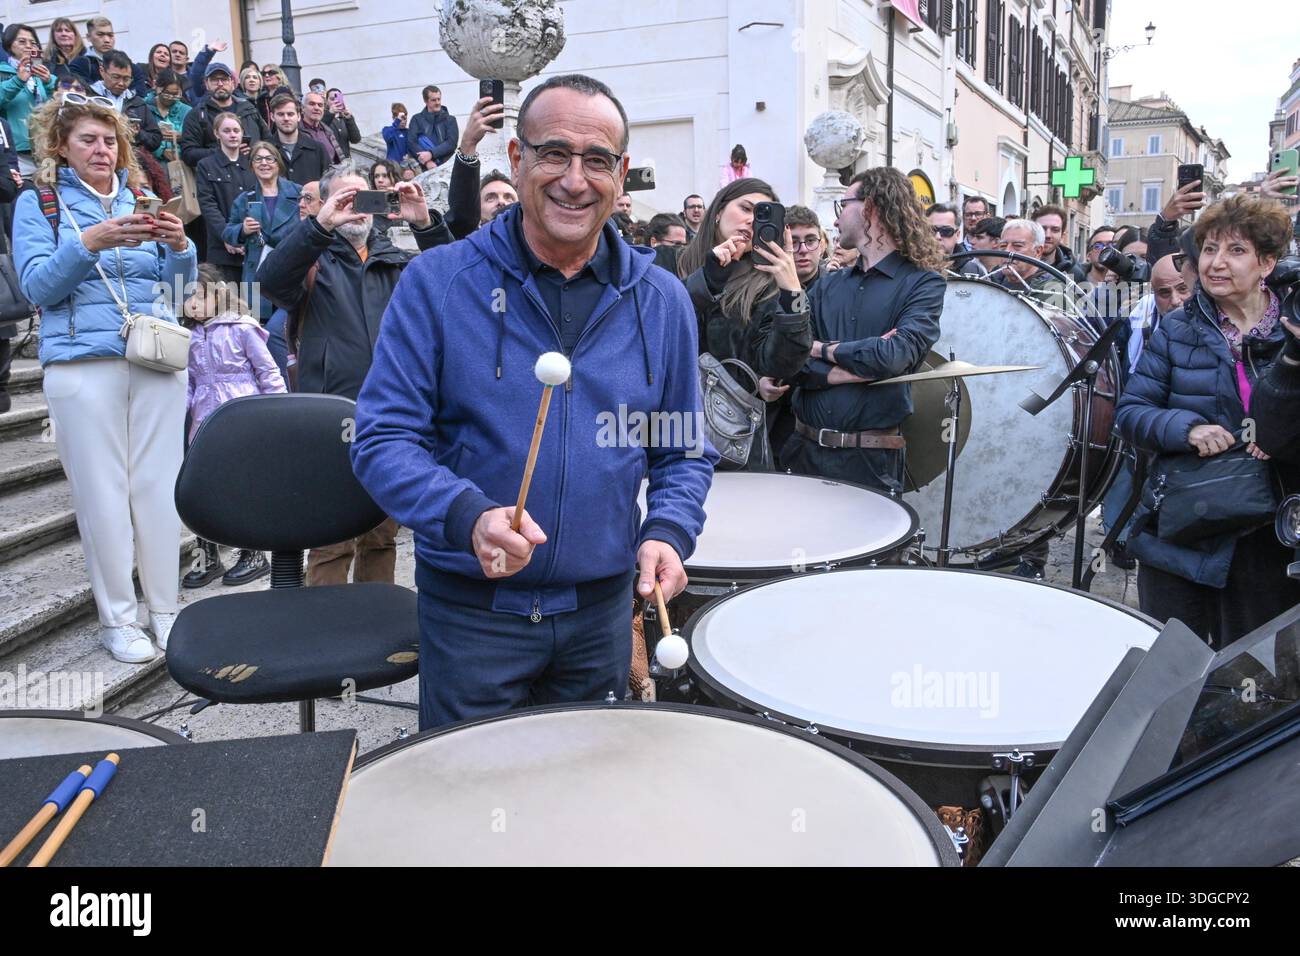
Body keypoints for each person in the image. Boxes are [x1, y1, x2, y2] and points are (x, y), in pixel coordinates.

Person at [349, 73, 715, 731]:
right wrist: (465, 514)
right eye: (554, 153)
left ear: (621, 174)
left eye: (597, 160)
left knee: (581, 809)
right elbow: (382, 441)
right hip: (472, 618)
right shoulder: (437, 283)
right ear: (517, 160)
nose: (575, 179)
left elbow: (682, 448)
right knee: (467, 803)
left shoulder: (663, 302)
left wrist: (668, 530)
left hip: (600, 617)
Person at [13, 96, 196, 662]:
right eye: (88, 140)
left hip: (154, 360)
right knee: (102, 499)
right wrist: (88, 243)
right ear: (60, 148)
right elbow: (37, 288)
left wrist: (181, 247)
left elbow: (178, 292)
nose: (102, 149)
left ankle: (165, 611)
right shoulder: (39, 203)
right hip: (79, 365)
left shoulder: (140, 199)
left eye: (109, 140)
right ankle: (119, 619)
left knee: (159, 492)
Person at [1116, 195, 1300, 649]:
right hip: (1183, 522)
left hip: (1264, 532)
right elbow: (1131, 413)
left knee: (1255, 671)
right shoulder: (1178, 328)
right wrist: (1186, 429)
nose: (1217, 263)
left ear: (1268, 262)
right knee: (1172, 662)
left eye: (1236, 251)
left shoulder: (1290, 333)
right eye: (1211, 249)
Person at [259, 164, 451, 589]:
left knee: (381, 538)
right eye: (344, 199)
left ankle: (376, 629)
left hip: (392, 421)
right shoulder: (311, 260)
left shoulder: (396, 262)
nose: (356, 208)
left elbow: (457, 281)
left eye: (363, 198)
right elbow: (270, 281)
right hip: (329, 422)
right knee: (330, 541)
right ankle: (324, 635)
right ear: (324, 205)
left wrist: (424, 222)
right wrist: (322, 225)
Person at [781, 167, 945, 494]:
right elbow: (786, 359)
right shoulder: (828, 286)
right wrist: (840, 372)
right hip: (804, 452)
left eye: (843, 207)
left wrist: (819, 349)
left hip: (870, 463)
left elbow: (893, 356)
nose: (837, 220)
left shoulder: (923, 283)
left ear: (870, 207)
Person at [677, 177, 812, 465]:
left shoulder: (767, 283)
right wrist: (710, 277)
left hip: (732, 441)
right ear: (718, 211)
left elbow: (782, 363)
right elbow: (666, 325)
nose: (752, 221)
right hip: (670, 429)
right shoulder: (674, 262)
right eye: (746, 208)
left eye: (762, 215)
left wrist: (794, 291)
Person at [181, 264, 286, 588]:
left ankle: (253, 554)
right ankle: (207, 556)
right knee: (203, 490)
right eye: (187, 299)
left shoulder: (242, 328)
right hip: (203, 424)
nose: (193, 305)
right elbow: (187, 382)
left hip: (243, 419)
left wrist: (280, 413)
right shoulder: (188, 336)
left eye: (199, 296)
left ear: (218, 295)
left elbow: (268, 373)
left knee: (244, 487)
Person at [1101, 252, 1191, 567]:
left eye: (1183, 289)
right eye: (1164, 293)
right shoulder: (1140, 317)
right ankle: (1119, 537)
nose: (1176, 300)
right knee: (1125, 473)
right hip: (1140, 420)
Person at [222, 140, 301, 317]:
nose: (264, 163)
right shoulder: (245, 198)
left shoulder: (298, 193)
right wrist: (242, 230)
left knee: (290, 323)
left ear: (278, 163)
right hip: (257, 272)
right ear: (251, 166)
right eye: (258, 159)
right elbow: (228, 233)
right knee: (259, 324)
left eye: (269, 158)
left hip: (290, 270)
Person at [263, 179, 320, 377]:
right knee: (274, 332)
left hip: (321, 299)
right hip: (296, 298)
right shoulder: (296, 229)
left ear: (326, 203)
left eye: (309, 199)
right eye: (301, 198)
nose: (301, 204)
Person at [196, 111, 256, 282]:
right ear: (216, 133)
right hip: (222, 250)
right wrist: (228, 236)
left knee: (255, 305)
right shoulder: (206, 165)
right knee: (227, 304)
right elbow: (208, 205)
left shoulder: (252, 164)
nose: (232, 135)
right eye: (227, 131)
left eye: (236, 131)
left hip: (251, 248)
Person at [178, 61, 268, 169]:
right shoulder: (197, 115)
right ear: (206, 84)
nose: (220, 84)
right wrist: (223, 152)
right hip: (217, 180)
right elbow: (188, 154)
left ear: (232, 83)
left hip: (254, 174)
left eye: (224, 79)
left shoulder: (249, 109)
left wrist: (257, 153)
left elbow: (269, 142)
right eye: (214, 80)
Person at [444, 93, 506, 238]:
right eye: (490, 197)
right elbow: (462, 216)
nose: (501, 202)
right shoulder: (470, 248)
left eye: (509, 197)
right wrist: (468, 144)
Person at [0, 23, 56, 179]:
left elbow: (60, 100)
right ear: (9, 44)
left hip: (45, 148)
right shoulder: (2, 71)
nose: (28, 46)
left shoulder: (40, 73)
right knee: (23, 194)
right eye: (22, 41)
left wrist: (49, 82)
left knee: (48, 193)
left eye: (32, 42)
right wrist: (18, 80)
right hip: (17, 152)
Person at [92, 50, 161, 157]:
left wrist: (138, 134)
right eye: (115, 77)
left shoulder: (138, 103)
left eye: (126, 79)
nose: (121, 83)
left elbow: (155, 140)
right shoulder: (89, 99)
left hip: (131, 161)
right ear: (102, 71)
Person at [68, 17, 146, 97]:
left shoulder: (132, 67)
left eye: (110, 35)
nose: (107, 40)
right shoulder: (79, 65)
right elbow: (82, 92)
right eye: (100, 35)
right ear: (88, 37)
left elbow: (140, 94)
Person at [266, 93, 330, 185]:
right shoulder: (265, 150)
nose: (286, 118)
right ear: (272, 117)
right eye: (280, 114)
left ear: (299, 116)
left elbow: (328, 184)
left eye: (290, 114)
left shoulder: (318, 149)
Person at [407, 84, 457, 172]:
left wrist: (431, 154)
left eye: (439, 99)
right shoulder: (416, 119)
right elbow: (411, 143)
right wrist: (427, 162)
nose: (437, 102)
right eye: (433, 100)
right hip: (422, 167)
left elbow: (451, 143)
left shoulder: (450, 120)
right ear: (425, 101)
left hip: (447, 167)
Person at [145, 68, 190, 163]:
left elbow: (194, 140)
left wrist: (183, 137)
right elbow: (139, 137)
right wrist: (161, 151)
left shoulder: (187, 111)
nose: (170, 98)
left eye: (175, 94)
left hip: (179, 164)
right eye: (166, 93)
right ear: (156, 86)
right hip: (148, 164)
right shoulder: (143, 107)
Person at [927, 202, 984, 276]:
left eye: (946, 231)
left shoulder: (973, 271)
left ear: (957, 235)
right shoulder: (911, 267)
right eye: (931, 230)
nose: (938, 237)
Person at [1029, 204, 1077, 278]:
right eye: (1042, 229)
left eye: (1055, 230)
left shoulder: (1073, 273)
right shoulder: (1016, 267)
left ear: (1062, 236)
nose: (1047, 235)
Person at [300, 90, 342, 165]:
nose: (316, 108)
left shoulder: (328, 131)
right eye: (312, 104)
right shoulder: (296, 132)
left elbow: (338, 159)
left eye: (320, 105)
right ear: (303, 108)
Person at [366, 158, 401, 235]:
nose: (380, 180)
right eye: (376, 176)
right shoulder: (367, 206)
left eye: (385, 176)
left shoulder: (406, 203)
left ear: (395, 178)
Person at [43, 18, 84, 84]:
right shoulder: (47, 60)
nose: (64, 34)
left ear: (75, 35)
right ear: (53, 36)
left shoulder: (88, 56)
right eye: (59, 30)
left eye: (67, 30)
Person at [324, 88, 360, 159]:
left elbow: (356, 139)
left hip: (345, 162)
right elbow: (320, 129)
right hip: (330, 163)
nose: (335, 101)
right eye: (332, 99)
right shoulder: (323, 116)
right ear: (327, 101)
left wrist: (349, 119)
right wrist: (330, 114)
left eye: (338, 98)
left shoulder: (345, 117)